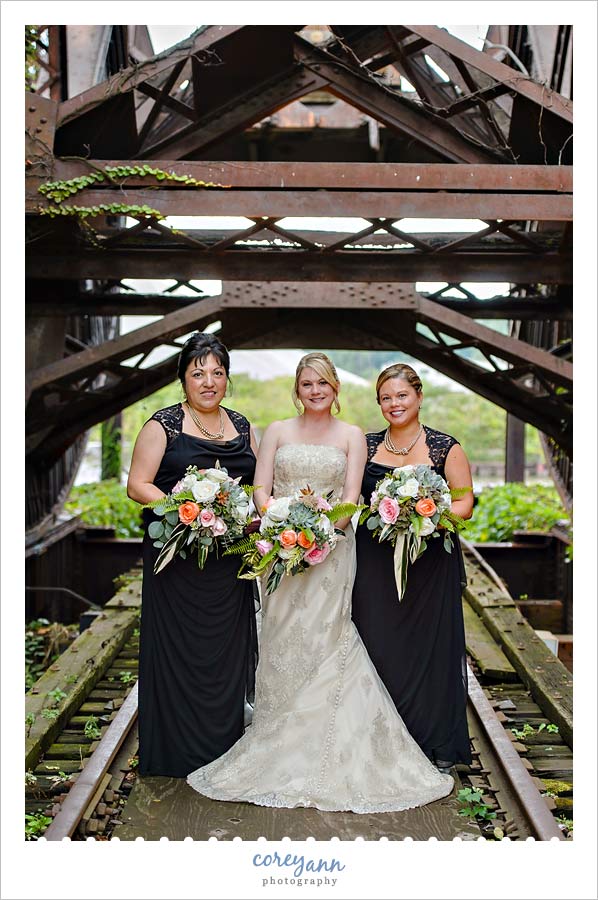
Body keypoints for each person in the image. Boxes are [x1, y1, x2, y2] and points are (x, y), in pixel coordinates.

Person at [186, 352, 453, 812]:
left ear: (335, 389)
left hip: (331, 552)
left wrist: (320, 533)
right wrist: (281, 522)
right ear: (298, 389)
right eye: (307, 384)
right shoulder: (276, 431)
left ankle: (330, 746)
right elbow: (260, 490)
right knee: (282, 637)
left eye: (323, 383)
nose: (315, 391)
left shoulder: (352, 436)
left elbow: (351, 497)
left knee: (327, 638)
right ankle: (277, 733)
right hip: (279, 549)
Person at [127, 333, 259, 778]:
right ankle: (175, 754)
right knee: (180, 650)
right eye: (198, 373)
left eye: (217, 373)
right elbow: (138, 485)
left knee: (224, 653)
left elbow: (258, 487)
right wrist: (190, 508)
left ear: (227, 379)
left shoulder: (241, 426)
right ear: (183, 379)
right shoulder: (161, 425)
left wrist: (248, 515)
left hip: (228, 564)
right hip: (176, 561)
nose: (209, 382)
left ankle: (223, 749)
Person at [352, 363, 474, 772]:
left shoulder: (445, 448)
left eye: (402, 395)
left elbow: (465, 503)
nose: (394, 404)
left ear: (419, 396)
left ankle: (428, 740)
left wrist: (427, 517)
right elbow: (350, 498)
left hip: (428, 564)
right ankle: (377, 740)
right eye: (386, 398)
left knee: (426, 647)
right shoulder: (366, 446)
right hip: (374, 564)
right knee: (377, 643)